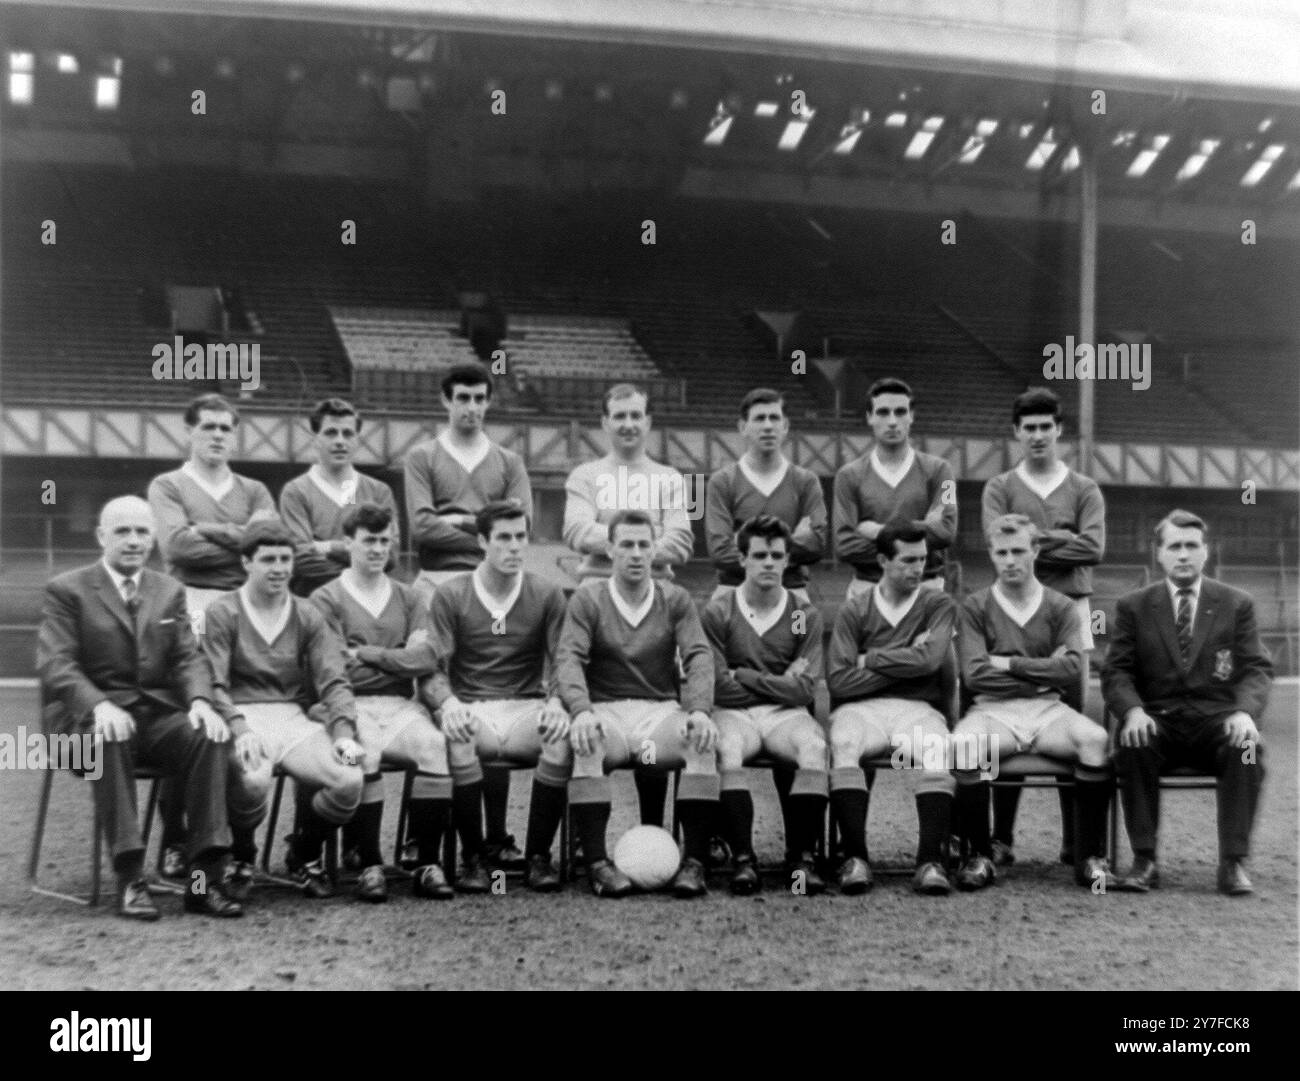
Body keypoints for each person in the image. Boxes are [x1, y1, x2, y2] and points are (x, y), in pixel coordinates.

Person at [35, 496, 243, 920]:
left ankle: (203, 882)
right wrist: (98, 706)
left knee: (209, 736)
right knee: (107, 735)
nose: (134, 541)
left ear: (154, 537)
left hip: (151, 718)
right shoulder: (67, 589)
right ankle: (130, 877)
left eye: (142, 531)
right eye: (122, 531)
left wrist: (201, 702)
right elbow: (57, 664)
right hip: (79, 727)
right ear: (101, 537)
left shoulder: (169, 590)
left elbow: (187, 657)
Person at [1101, 509, 1271, 896]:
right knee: (1133, 743)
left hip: (1216, 720)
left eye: (1191, 546)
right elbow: (1116, 671)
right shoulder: (1134, 605)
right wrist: (1132, 711)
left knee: (1246, 748)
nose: (1183, 555)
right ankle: (1144, 861)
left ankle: (1233, 862)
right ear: (1158, 554)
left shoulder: (1235, 603)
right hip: (1158, 719)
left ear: (1205, 552)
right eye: (1174, 546)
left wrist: (1245, 712)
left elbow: (1257, 668)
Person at [403, 361, 532, 866]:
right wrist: (483, 528)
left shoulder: (508, 459)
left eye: (481, 398)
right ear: (445, 400)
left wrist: (455, 519)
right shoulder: (422, 456)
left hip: (495, 586)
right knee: (433, 701)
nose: (472, 408)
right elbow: (421, 529)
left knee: (488, 692)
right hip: (437, 584)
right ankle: (422, 833)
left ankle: (494, 834)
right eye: (463, 398)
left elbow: (516, 527)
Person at [146, 393, 276, 878]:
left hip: (242, 607)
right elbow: (177, 547)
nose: (218, 435)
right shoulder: (168, 484)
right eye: (209, 427)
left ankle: (240, 842)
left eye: (226, 427)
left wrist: (213, 531)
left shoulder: (255, 488)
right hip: (186, 607)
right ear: (190, 431)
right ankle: (178, 839)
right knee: (192, 716)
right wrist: (240, 536)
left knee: (237, 709)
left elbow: (265, 547)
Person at [556, 510, 718, 898]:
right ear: (609, 548)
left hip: (655, 718)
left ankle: (694, 863)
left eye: (644, 544)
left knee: (700, 741)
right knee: (587, 741)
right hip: (606, 713)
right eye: (626, 544)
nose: (636, 553)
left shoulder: (675, 599)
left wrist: (698, 710)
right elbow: (569, 659)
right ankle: (596, 862)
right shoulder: (588, 598)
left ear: (655, 550)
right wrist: (580, 711)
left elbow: (699, 655)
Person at [951, 514, 1115, 892]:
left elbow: (1072, 669)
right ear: (991, 554)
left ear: (1036, 551)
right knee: (962, 744)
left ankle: (1090, 857)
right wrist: (1043, 670)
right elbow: (974, 675)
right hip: (992, 709)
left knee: (1095, 740)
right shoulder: (974, 606)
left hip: (1048, 710)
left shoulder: (1061, 606)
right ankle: (979, 855)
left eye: (1019, 551)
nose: (1010, 561)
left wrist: (1008, 663)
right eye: (1002, 552)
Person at [202, 520, 364, 901]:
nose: (278, 568)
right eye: (268, 559)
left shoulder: (307, 613)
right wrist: (239, 729)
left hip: (291, 716)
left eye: (286, 559)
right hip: (242, 716)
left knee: (349, 779)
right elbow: (213, 683)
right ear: (246, 562)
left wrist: (342, 734)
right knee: (254, 780)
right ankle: (242, 855)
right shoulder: (222, 611)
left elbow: (334, 679)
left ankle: (303, 854)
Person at [982, 387, 1106, 868]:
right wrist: (1060, 538)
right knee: (1010, 713)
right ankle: (1001, 838)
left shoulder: (1084, 488)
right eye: (1028, 427)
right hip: (1013, 609)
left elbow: (1093, 548)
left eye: (1045, 427)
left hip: (1071, 610)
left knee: (1070, 718)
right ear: (1016, 433)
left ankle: (1075, 841)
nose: (1037, 435)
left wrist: (1030, 540)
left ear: (1059, 431)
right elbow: (998, 542)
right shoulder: (1000, 487)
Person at [563, 383, 695, 833]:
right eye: (618, 416)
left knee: (656, 706)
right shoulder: (584, 474)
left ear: (649, 422)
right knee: (591, 705)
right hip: (595, 595)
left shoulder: (672, 478)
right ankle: (587, 837)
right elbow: (576, 530)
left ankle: (655, 828)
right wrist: (633, 539)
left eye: (635, 415)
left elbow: (682, 541)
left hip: (658, 598)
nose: (627, 424)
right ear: (604, 422)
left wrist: (625, 543)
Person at [309, 502, 455, 901]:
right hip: (348, 705)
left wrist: (369, 654)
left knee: (434, 746)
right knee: (365, 751)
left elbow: (426, 658)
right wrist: (398, 661)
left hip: (399, 705)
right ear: (347, 543)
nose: (377, 549)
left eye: (385, 541)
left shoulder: (409, 598)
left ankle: (427, 862)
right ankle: (370, 863)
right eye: (368, 540)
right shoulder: (326, 598)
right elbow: (335, 669)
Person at [427, 501, 574, 893]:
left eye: (521, 537)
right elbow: (432, 667)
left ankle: (539, 857)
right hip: (472, 706)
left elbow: (564, 658)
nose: (514, 547)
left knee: (559, 739)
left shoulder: (546, 593)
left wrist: (557, 701)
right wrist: (448, 703)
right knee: (458, 739)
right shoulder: (451, 594)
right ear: (481, 541)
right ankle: (475, 857)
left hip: (526, 704)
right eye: (503, 538)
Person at [826, 523, 958, 896]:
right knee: (846, 744)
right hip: (860, 709)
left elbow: (932, 661)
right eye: (909, 560)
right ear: (883, 560)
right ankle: (855, 858)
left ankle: (930, 861)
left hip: (917, 709)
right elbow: (838, 682)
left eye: (923, 560)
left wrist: (869, 660)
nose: (919, 569)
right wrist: (906, 664)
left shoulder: (938, 603)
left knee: (936, 748)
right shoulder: (854, 609)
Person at [703, 516, 827, 895]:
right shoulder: (719, 612)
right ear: (742, 559)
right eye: (759, 555)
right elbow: (717, 688)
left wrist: (746, 676)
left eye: (776, 555)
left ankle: (800, 861)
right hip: (734, 714)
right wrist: (779, 682)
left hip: (784, 716)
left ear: (789, 559)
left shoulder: (801, 616)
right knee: (728, 748)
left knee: (814, 747)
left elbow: (803, 692)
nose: (769, 563)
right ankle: (744, 860)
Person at [833, 378, 956, 600]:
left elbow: (946, 530)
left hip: (926, 589)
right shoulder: (848, 476)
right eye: (883, 412)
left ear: (912, 416)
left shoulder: (941, 471)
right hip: (868, 589)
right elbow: (844, 546)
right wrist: (921, 532)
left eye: (900, 412)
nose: (892, 421)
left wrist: (880, 532)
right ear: (869, 417)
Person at [705, 388, 826, 603]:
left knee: (803, 629)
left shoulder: (806, 481)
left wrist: (744, 544)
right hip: (732, 590)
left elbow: (816, 546)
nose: (768, 426)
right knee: (714, 627)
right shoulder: (722, 481)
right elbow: (720, 553)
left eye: (774, 418)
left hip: (792, 590)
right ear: (743, 427)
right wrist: (791, 542)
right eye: (760, 418)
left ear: (785, 426)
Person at [280, 398, 399, 597]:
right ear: (315, 439)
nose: (340, 441)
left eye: (348, 433)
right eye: (331, 432)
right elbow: (300, 558)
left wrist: (326, 546)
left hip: (366, 602)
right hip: (312, 602)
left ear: (357, 440)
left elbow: (391, 556)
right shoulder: (296, 491)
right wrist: (362, 564)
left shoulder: (379, 491)